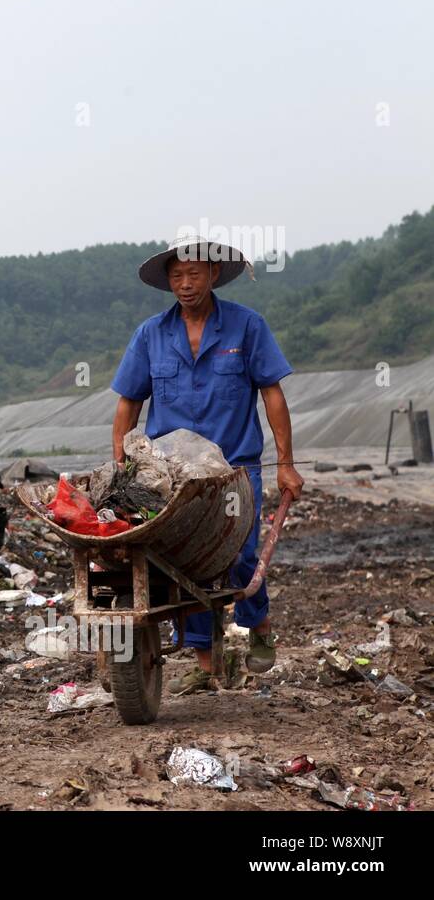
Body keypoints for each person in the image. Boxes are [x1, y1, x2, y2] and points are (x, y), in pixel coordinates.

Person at [110, 237, 304, 694]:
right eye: (177, 276)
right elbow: (128, 403)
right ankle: (205, 660)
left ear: (213, 276)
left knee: (237, 554)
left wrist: (287, 463)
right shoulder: (151, 335)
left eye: (193, 274)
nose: (185, 284)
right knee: (184, 561)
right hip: (172, 476)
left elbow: (273, 395)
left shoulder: (246, 327)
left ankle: (258, 624)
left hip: (235, 468)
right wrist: (119, 464)